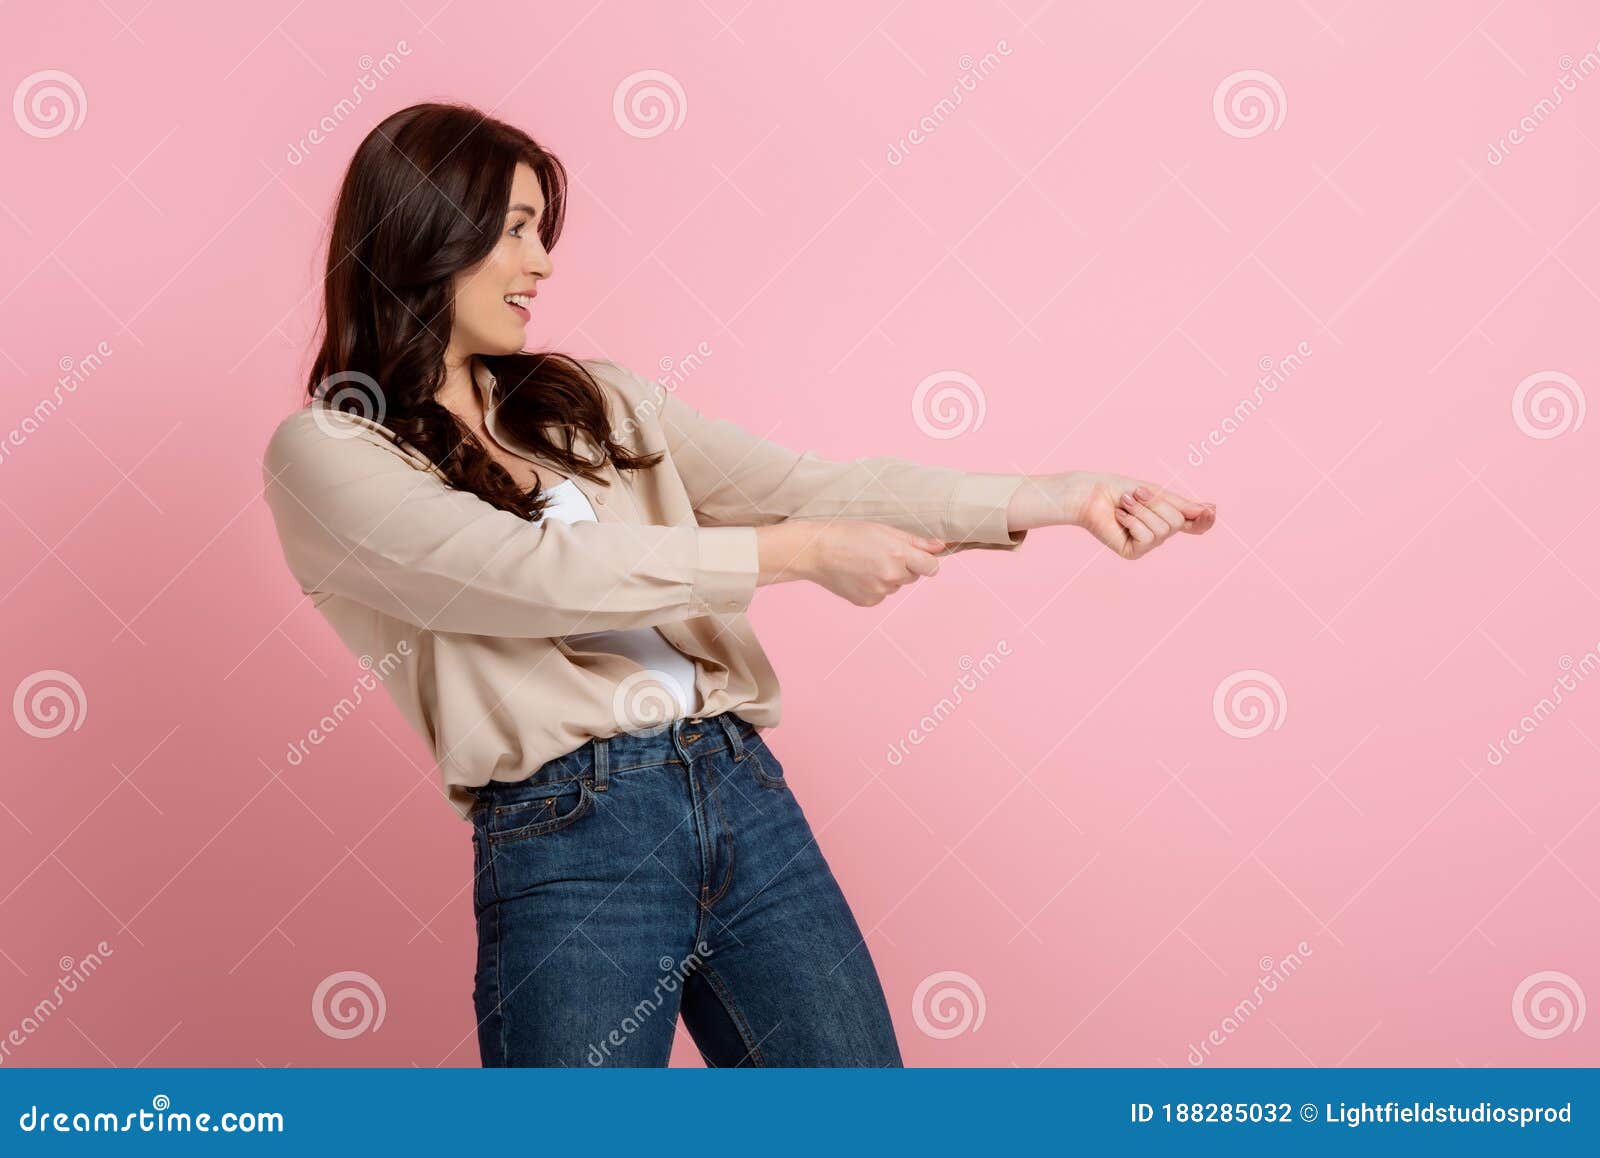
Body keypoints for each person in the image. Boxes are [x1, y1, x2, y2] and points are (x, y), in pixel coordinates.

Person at [260, 101, 1217, 1067]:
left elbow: (807, 487)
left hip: (739, 787)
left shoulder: (592, 399)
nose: (541, 263)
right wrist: (795, 554)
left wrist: (1056, 497)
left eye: (538, 234)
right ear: (428, 232)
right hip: (572, 831)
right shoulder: (332, 448)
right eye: (512, 231)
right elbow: (524, 574)